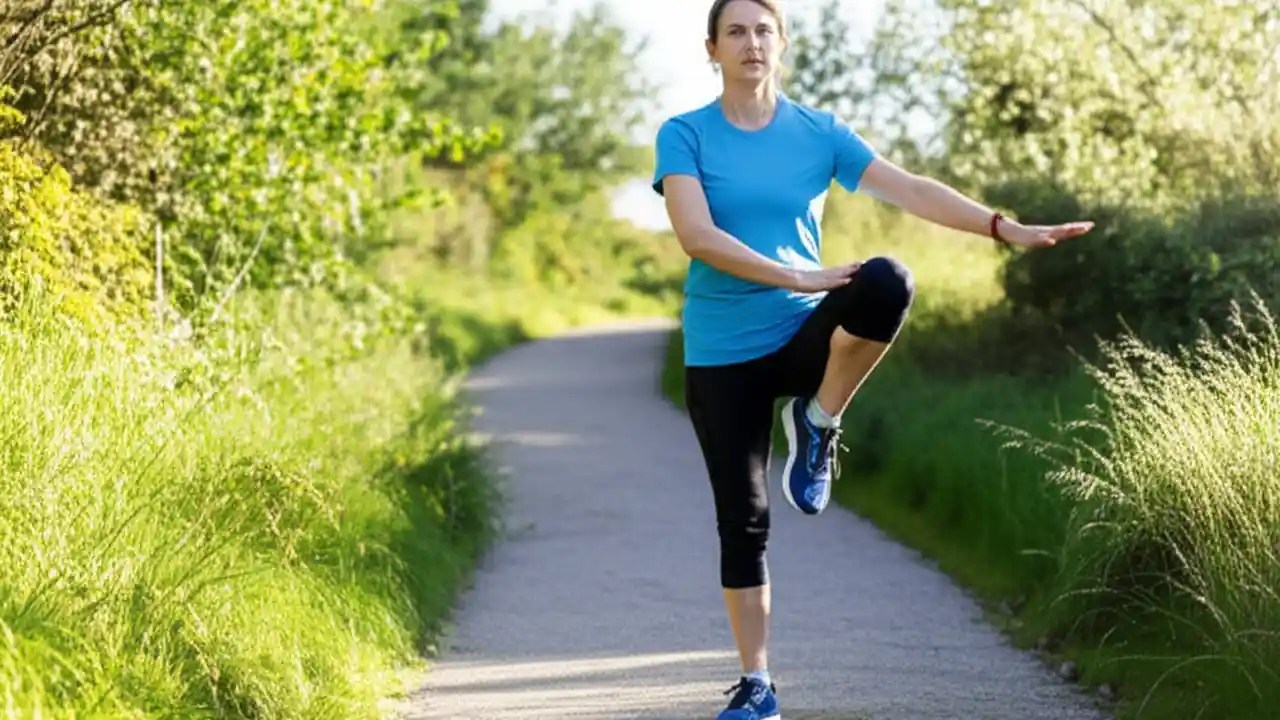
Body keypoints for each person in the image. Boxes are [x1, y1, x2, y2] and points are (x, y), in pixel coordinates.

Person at [650, 1, 1095, 718]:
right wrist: (800, 275)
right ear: (712, 49)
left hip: (801, 340)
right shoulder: (685, 135)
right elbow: (696, 237)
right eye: (735, 31)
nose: (751, 42)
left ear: (783, 44)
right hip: (722, 353)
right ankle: (757, 684)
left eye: (764, 29)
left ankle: (820, 418)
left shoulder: (817, 133)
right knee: (744, 519)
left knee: (887, 281)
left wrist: (1000, 227)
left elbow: (911, 188)